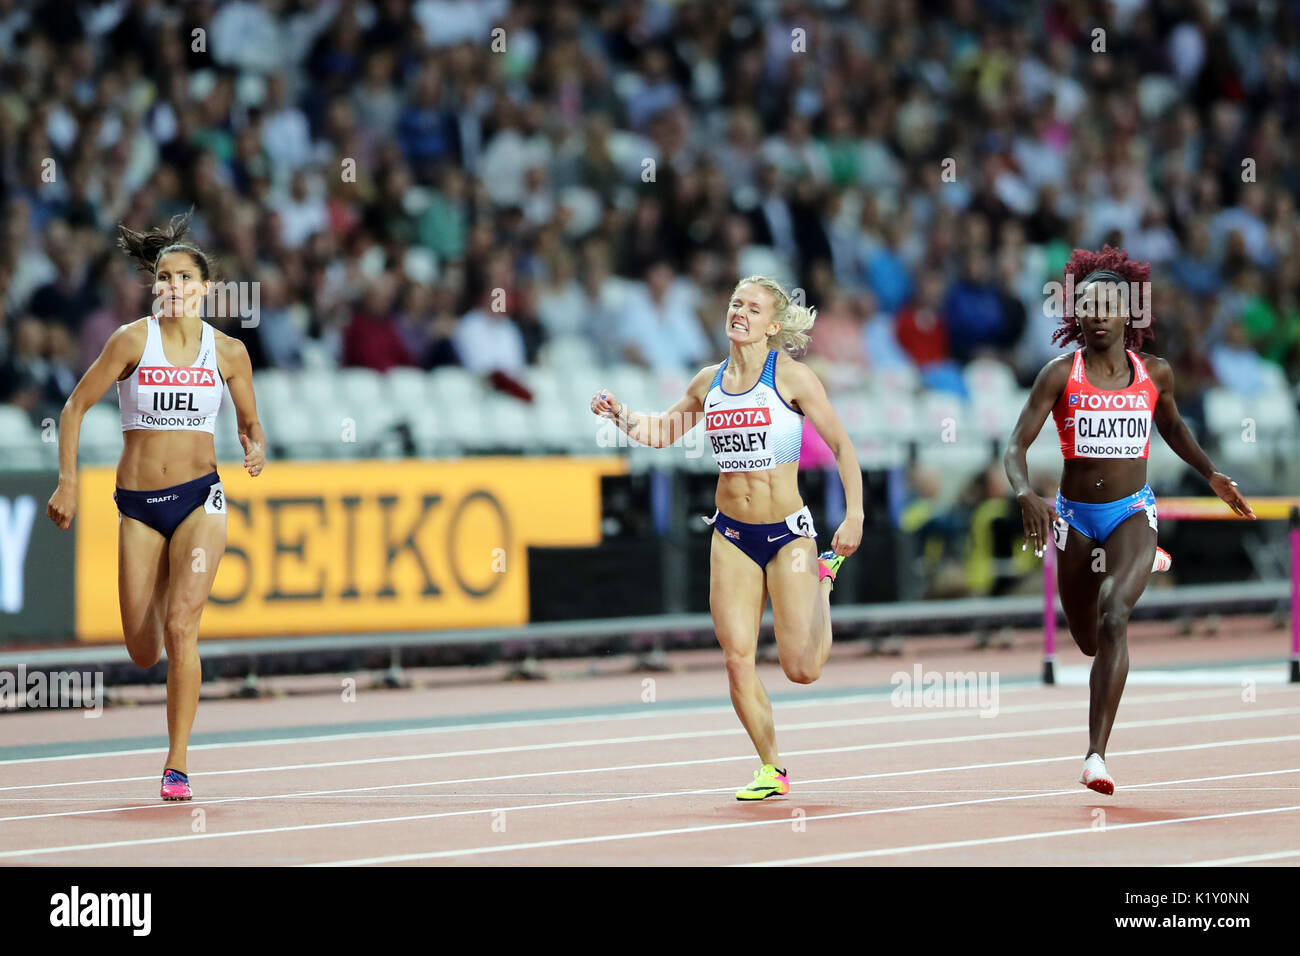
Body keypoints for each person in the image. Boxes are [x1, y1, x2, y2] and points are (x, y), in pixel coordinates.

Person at [590, 275, 864, 800]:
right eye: (735, 303)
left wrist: (854, 514)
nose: (739, 312)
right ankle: (771, 767)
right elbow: (663, 432)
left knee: (801, 669)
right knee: (737, 656)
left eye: (752, 308)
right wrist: (621, 415)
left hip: (789, 537)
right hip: (732, 534)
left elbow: (843, 448)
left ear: (773, 324)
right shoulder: (707, 381)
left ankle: (823, 581)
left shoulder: (793, 377)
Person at [1004, 247, 1253, 796]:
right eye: (1085, 305)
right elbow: (1016, 445)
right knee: (1088, 640)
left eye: (1106, 305)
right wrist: (1024, 492)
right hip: (1073, 518)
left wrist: (1213, 474)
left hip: (1131, 511)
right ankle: (1132, 565)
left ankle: (1095, 755)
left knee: (1116, 616)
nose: (1095, 314)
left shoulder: (1154, 374)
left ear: (1127, 314)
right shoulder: (1058, 374)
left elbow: (1175, 429)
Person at [45, 210, 266, 802]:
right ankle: (165, 580)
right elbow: (72, 409)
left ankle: (177, 765)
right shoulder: (131, 341)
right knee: (143, 651)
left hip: (200, 499)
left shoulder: (229, 353)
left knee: (180, 628)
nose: (172, 288)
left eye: (183, 280)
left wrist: (254, 444)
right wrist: (68, 481)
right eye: (163, 278)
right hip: (140, 506)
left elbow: (250, 420)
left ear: (205, 289)